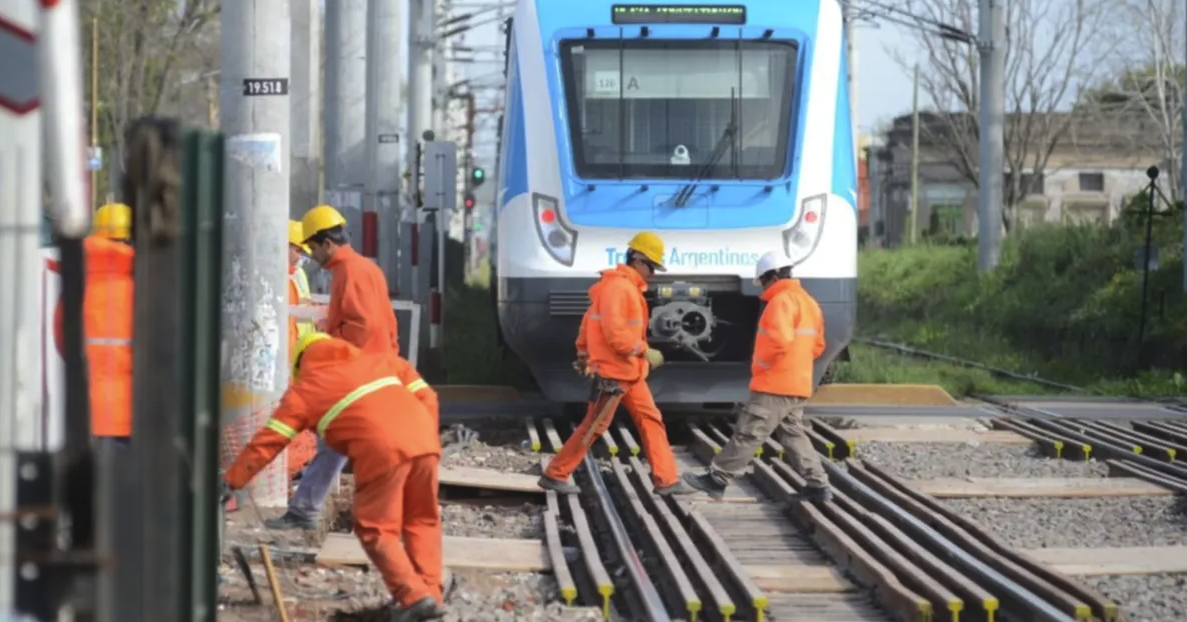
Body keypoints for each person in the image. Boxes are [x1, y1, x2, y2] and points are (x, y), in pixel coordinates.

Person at [221, 333, 444, 622]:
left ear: (301, 363)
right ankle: (432, 595)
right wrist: (423, 432)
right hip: (425, 441)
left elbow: (269, 441)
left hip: (381, 450)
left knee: (375, 527)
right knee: (421, 519)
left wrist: (232, 480)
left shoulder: (306, 390)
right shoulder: (383, 362)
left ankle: (414, 597)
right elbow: (429, 396)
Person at [266, 204, 407, 530]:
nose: (311, 256)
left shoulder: (350, 272)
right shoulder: (365, 269)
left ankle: (316, 512)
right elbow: (385, 322)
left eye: (312, 248)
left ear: (326, 243)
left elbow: (364, 326)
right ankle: (306, 510)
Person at [538, 232, 694, 496]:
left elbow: (589, 322)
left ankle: (666, 480)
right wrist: (645, 350)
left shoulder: (620, 287)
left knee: (651, 420)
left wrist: (583, 352)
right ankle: (556, 473)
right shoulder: (619, 288)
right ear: (637, 259)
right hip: (614, 373)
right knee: (594, 426)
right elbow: (615, 334)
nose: (653, 274)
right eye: (651, 267)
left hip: (629, 373)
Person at [682, 251, 831, 503]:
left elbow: (778, 342)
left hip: (775, 382)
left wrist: (760, 364)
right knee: (793, 433)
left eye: (762, 280)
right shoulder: (809, 302)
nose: (762, 285)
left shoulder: (781, 302)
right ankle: (818, 485)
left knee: (750, 431)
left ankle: (717, 478)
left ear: (772, 277)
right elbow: (818, 347)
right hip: (798, 382)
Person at [54, 203, 135, 447]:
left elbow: (61, 336)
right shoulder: (142, 284)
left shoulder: (78, 283)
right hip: (134, 410)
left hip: (86, 408)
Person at [287, 219, 316, 347]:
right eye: (297, 250)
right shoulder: (274, 278)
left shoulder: (299, 273)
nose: (299, 257)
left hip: (303, 343)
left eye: (301, 252)